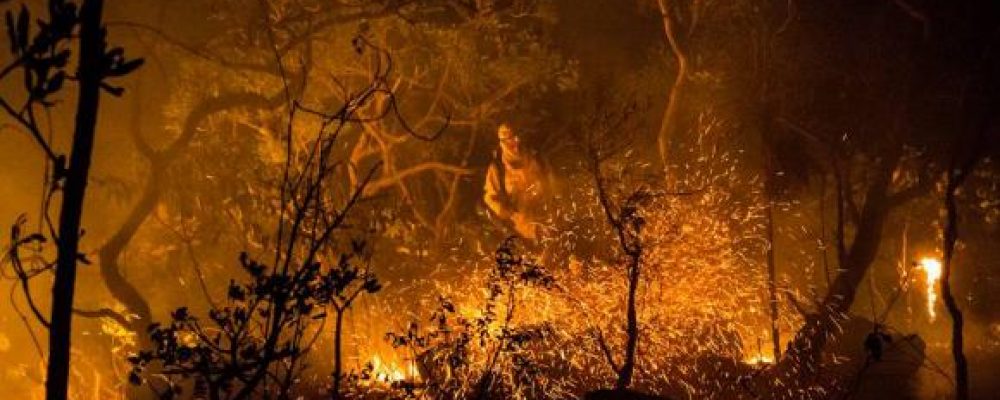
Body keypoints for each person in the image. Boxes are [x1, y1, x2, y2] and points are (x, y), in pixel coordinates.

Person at [483, 123, 551, 242]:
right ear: (503, 142)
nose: (516, 141)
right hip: (520, 231)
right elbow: (489, 197)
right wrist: (504, 211)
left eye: (516, 136)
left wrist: (543, 189)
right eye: (511, 139)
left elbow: (547, 181)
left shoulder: (531, 159)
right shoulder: (497, 169)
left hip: (543, 223)